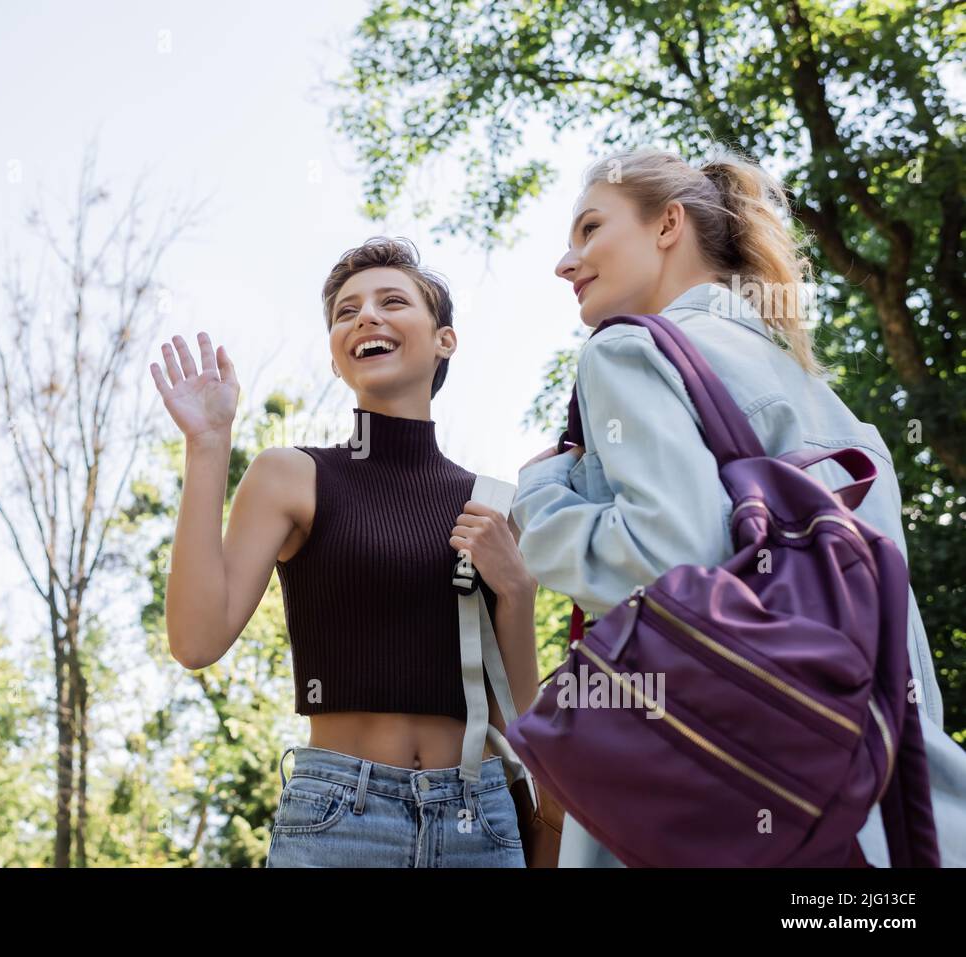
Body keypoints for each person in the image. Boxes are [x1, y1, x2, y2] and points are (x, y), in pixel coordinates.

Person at [511, 145, 966, 867]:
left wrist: (536, 498)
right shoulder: (834, 406)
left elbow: (665, 559)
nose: (566, 263)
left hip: (719, 801)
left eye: (590, 228)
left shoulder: (627, 352)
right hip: (896, 812)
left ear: (668, 224)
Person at [149, 237, 538, 867]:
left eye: (392, 301)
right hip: (340, 818)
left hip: (479, 821)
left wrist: (518, 590)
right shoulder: (291, 476)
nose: (366, 317)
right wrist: (208, 445)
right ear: (337, 358)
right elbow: (196, 642)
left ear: (445, 340)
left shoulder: (492, 503)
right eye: (345, 312)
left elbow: (520, 722)